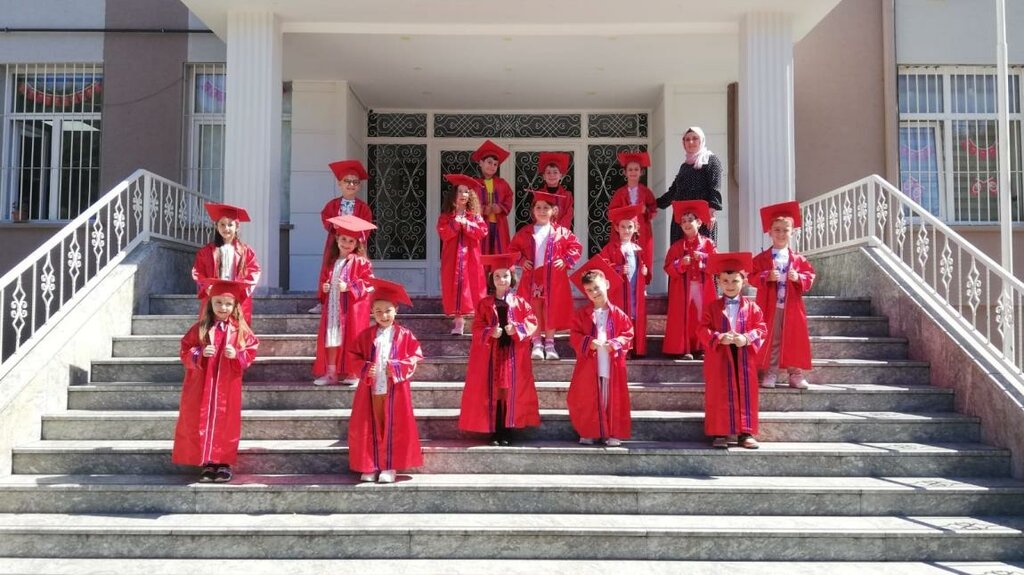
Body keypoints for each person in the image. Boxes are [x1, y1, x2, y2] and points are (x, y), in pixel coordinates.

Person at [172, 279, 259, 483]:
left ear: (235, 306)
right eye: (218, 302)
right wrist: (199, 352)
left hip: (227, 387)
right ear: (210, 303)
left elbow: (251, 351)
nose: (223, 307)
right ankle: (207, 462)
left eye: (228, 303)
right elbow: (185, 350)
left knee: (225, 422)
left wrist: (237, 354)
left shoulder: (240, 331)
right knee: (200, 419)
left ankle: (224, 463)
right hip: (203, 385)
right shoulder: (200, 328)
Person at [346, 278, 425, 483]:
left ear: (396, 310)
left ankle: (389, 466)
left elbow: (414, 357)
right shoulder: (366, 335)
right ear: (372, 312)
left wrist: (396, 367)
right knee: (371, 426)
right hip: (371, 390)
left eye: (388, 310)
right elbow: (353, 355)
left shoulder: (405, 335)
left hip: (394, 389)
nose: (383, 315)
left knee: (392, 426)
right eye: (378, 311)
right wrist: (364, 367)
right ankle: (370, 465)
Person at [459, 253, 541, 446]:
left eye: (505, 275)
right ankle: (495, 431)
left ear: (512, 278)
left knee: (508, 391)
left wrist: (517, 329)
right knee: (494, 391)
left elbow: (531, 323)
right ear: (492, 280)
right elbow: (477, 326)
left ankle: (507, 430)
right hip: (492, 354)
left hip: (512, 354)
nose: (501, 280)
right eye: (497, 276)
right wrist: (489, 332)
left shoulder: (521, 303)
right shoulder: (485, 303)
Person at [698, 252, 766, 450]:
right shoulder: (712, 307)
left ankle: (745, 433)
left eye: (735, 280)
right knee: (720, 392)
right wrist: (718, 337)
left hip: (744, 356)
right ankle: (720, 432)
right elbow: (702, 329)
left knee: (745, 392)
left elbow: (761, 328)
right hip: (720, 356)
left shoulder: (752, 307)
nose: (730, 285)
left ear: (743, 281)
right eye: (725, 280)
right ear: (718, 281)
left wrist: (746, 338)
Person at [566, 260, 634, 447]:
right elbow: (574, 335)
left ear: (607, 284)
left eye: (597, 287)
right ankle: (590, 431)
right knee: (588, 397)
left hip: (611, 362)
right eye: (589, 290)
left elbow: (628, 333)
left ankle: (612, 433)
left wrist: (615, 342)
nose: (594, 293)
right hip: (590, 363)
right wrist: (589, 343)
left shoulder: (619, 315)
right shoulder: (582, 315)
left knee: (611, 397)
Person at [508, 190, 582, 361]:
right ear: (533, 211)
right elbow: (513, 249)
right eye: (538, 207)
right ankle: (536, 343)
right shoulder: (525, 232)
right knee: (533, 309)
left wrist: (565, 259)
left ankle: (549, 343)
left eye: (546, 208)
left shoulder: (562, 232)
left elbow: (575, 247)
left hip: (554, 277)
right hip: (533, 276)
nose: (542, 211)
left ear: (553, 211)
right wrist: (521, 260)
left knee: (551, 309)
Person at [750, 201, 816, 390]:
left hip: (792, 306)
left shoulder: (798, 259)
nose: (780, 234)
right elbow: (751, 276)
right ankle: (770, 372)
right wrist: (766, 276)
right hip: (770, 306)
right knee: (773, 338)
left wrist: (798, 278)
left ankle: (795, 374)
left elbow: (809, 277)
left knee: (793, 339)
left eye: (785, 230)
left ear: (792, 232)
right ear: (769, 232)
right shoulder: (762, 259)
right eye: (777, 230)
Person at [312, 215, 376, 387]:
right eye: (344, 239)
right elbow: (326, 280)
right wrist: (325, 287)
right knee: (331, 339)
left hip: (351, 310)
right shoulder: (332, 262)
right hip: (333, 308)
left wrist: (349, 286)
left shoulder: (361, 262)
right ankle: (331, 373)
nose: (346, 244)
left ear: (357, 245)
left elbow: (369, 283)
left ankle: (353, 372)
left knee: (351, 339)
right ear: (337, 239)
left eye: (351, 241)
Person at [309, 160, 375, 314]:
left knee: (358, 270)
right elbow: (326, 219)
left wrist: (355, 235)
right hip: (336, 243)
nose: (351, 185)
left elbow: (366, 228)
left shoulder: (363, 208)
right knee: (329, 268)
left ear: (359, 185)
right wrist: (335, 227)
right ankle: (324, 301)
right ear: (339, 183)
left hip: (355, 244)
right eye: (347, 181)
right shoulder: (332, 205)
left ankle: (360, 300)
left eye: (355, 182)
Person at [663, 200, 718, 360]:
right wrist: (680, 263)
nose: (686, 224)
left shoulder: (708, 244)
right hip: (684, 288)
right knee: (686, 316)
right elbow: (667, 267)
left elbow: (716, 264)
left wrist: (703, 258)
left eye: (690, 220)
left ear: (699, 222)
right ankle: (685, 347)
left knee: (703, 315)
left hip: (702, 286)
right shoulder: (677, 246)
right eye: (683, 221)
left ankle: (702, 346)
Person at [191, 202, 261, 323]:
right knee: (211, 330)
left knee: (236, 332)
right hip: (214, 297)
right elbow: (198, 272)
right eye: (222, 224)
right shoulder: (206, 252)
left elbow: (254, 272)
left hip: (236, 298)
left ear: (237, 226)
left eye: (230, 224)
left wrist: (240, 290)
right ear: (217, 226)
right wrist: (207, 287)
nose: (226, 228)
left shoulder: (246, 252)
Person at [437, 173, 488, 336]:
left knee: (473, 286)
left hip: (471, 258)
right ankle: (458, 322)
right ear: (453, 195)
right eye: (459, 191)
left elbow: (482, 232)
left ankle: (479, 321)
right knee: (454, 287)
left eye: (466, 192)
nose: (463, 195)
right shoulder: (446, 216)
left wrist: (467, 225)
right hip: (452, 259)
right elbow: (444, 234)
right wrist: (455, 224)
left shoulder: (475, 216)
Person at [598, 204, 650, 357]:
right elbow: (601, 269)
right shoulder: (610, 248)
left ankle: (637, 348)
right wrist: (618, 269)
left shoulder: (638, 249)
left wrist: (645, 272)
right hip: (619, 292)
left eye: (630, 227)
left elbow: (644, 269)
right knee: (621, 316)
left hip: (635, 290)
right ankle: (622, 347)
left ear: (635, 228)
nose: (626, 230)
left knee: (635, 315)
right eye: (623, 227)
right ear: (616, 228)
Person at [656, 127, 723, 243]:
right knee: (679, 255)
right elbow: (673, 192)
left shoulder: (710, 160)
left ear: (701, 140)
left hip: (702, 218)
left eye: (695, 138)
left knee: (702, 254)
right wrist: (653, 204)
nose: (691, 142)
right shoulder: (684, 166)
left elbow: (715, 187)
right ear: (683, 143)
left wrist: (711, 212)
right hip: (682, 219)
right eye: (687, 139)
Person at [607, 151, 657, 274]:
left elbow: (654, 211)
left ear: (641, 172)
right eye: (630, 170)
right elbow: (611, 213)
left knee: (641, 255)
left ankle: (641, 284)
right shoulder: (619, 193)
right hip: (624, 229)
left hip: (642, 230)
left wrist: (646, 211)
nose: (633, 172)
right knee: (623, 254)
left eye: (636, 169)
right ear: (625, 172)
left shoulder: (646, 192)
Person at [472, 140, 514, 255]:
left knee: (498, 253)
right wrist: (481, 209)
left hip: (498, 224)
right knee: (481, 253)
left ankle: (497, 273)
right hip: (480, 224)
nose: (492, 166)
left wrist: (500, 208)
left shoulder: (502, 183)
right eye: (489, 162)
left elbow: (509, 198)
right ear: (481, 163)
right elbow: (469, 203)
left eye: (495, 164)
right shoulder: (473, 184)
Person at [536, 152, 574, 230]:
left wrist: (558, 230)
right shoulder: (538, 194)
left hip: (561, 233)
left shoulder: (567, 195)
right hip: (542, 231)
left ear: (560, 175)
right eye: (548, 172)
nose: (552, 175)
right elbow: (535, 213)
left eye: (555, 172)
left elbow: (568, 215)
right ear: (543, 176)